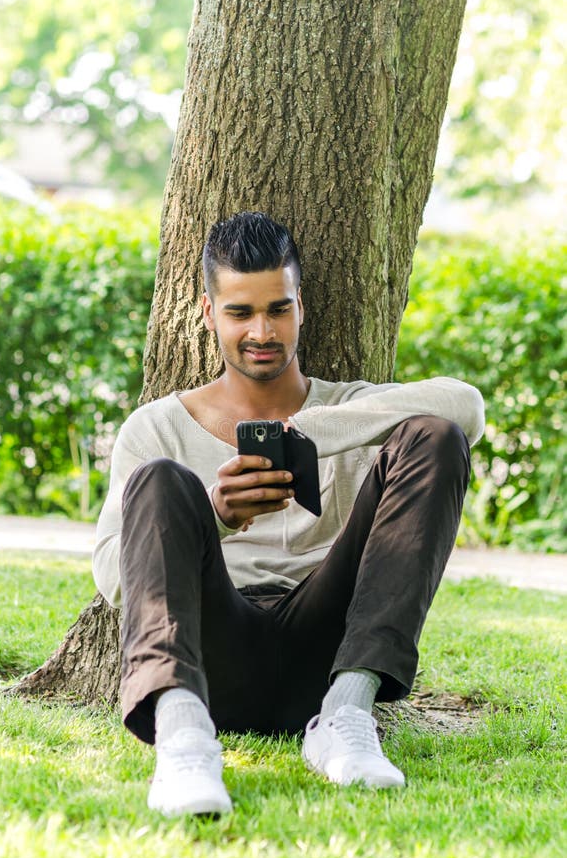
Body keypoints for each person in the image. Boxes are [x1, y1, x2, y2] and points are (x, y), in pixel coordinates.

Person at [93, 211, 484, 818]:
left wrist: (306, 431)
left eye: (278, 309)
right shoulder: (157, 427)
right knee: (160, 479)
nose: (262, 331)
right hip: (212, 654)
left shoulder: (351, 411)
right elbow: (113, 579)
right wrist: (215, 514)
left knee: (437, 436)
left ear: (300, 307)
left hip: (325, 657)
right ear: (209, 313)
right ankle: (182, 738)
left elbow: (466, 405)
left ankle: (348, 717)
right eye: (241, 312)